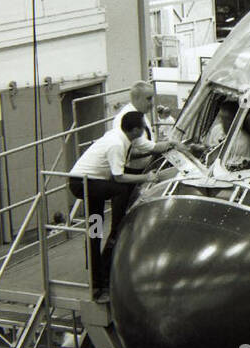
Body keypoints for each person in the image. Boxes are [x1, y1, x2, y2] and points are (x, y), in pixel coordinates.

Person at [69, 111, 171, 294]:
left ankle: (96, 278)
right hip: (84, 184)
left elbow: (142, 152)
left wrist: (168, 146)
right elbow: (119, 176)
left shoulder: (121, 135)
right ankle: (118, 224)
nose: (144, 130)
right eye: (142, 127)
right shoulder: (117, 143)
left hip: (90, 183)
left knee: (95, 230)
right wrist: (146, 177)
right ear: (135, 130)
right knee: (121, 189)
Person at [115, 82, 176, 174]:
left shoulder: (140, 113)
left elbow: (147, 142)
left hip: (146, 165)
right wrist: (159, 148)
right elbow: (128, 153)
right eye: (149, 99)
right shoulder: (125, 118)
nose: (152, 103)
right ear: (136, 99)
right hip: (134, 171)